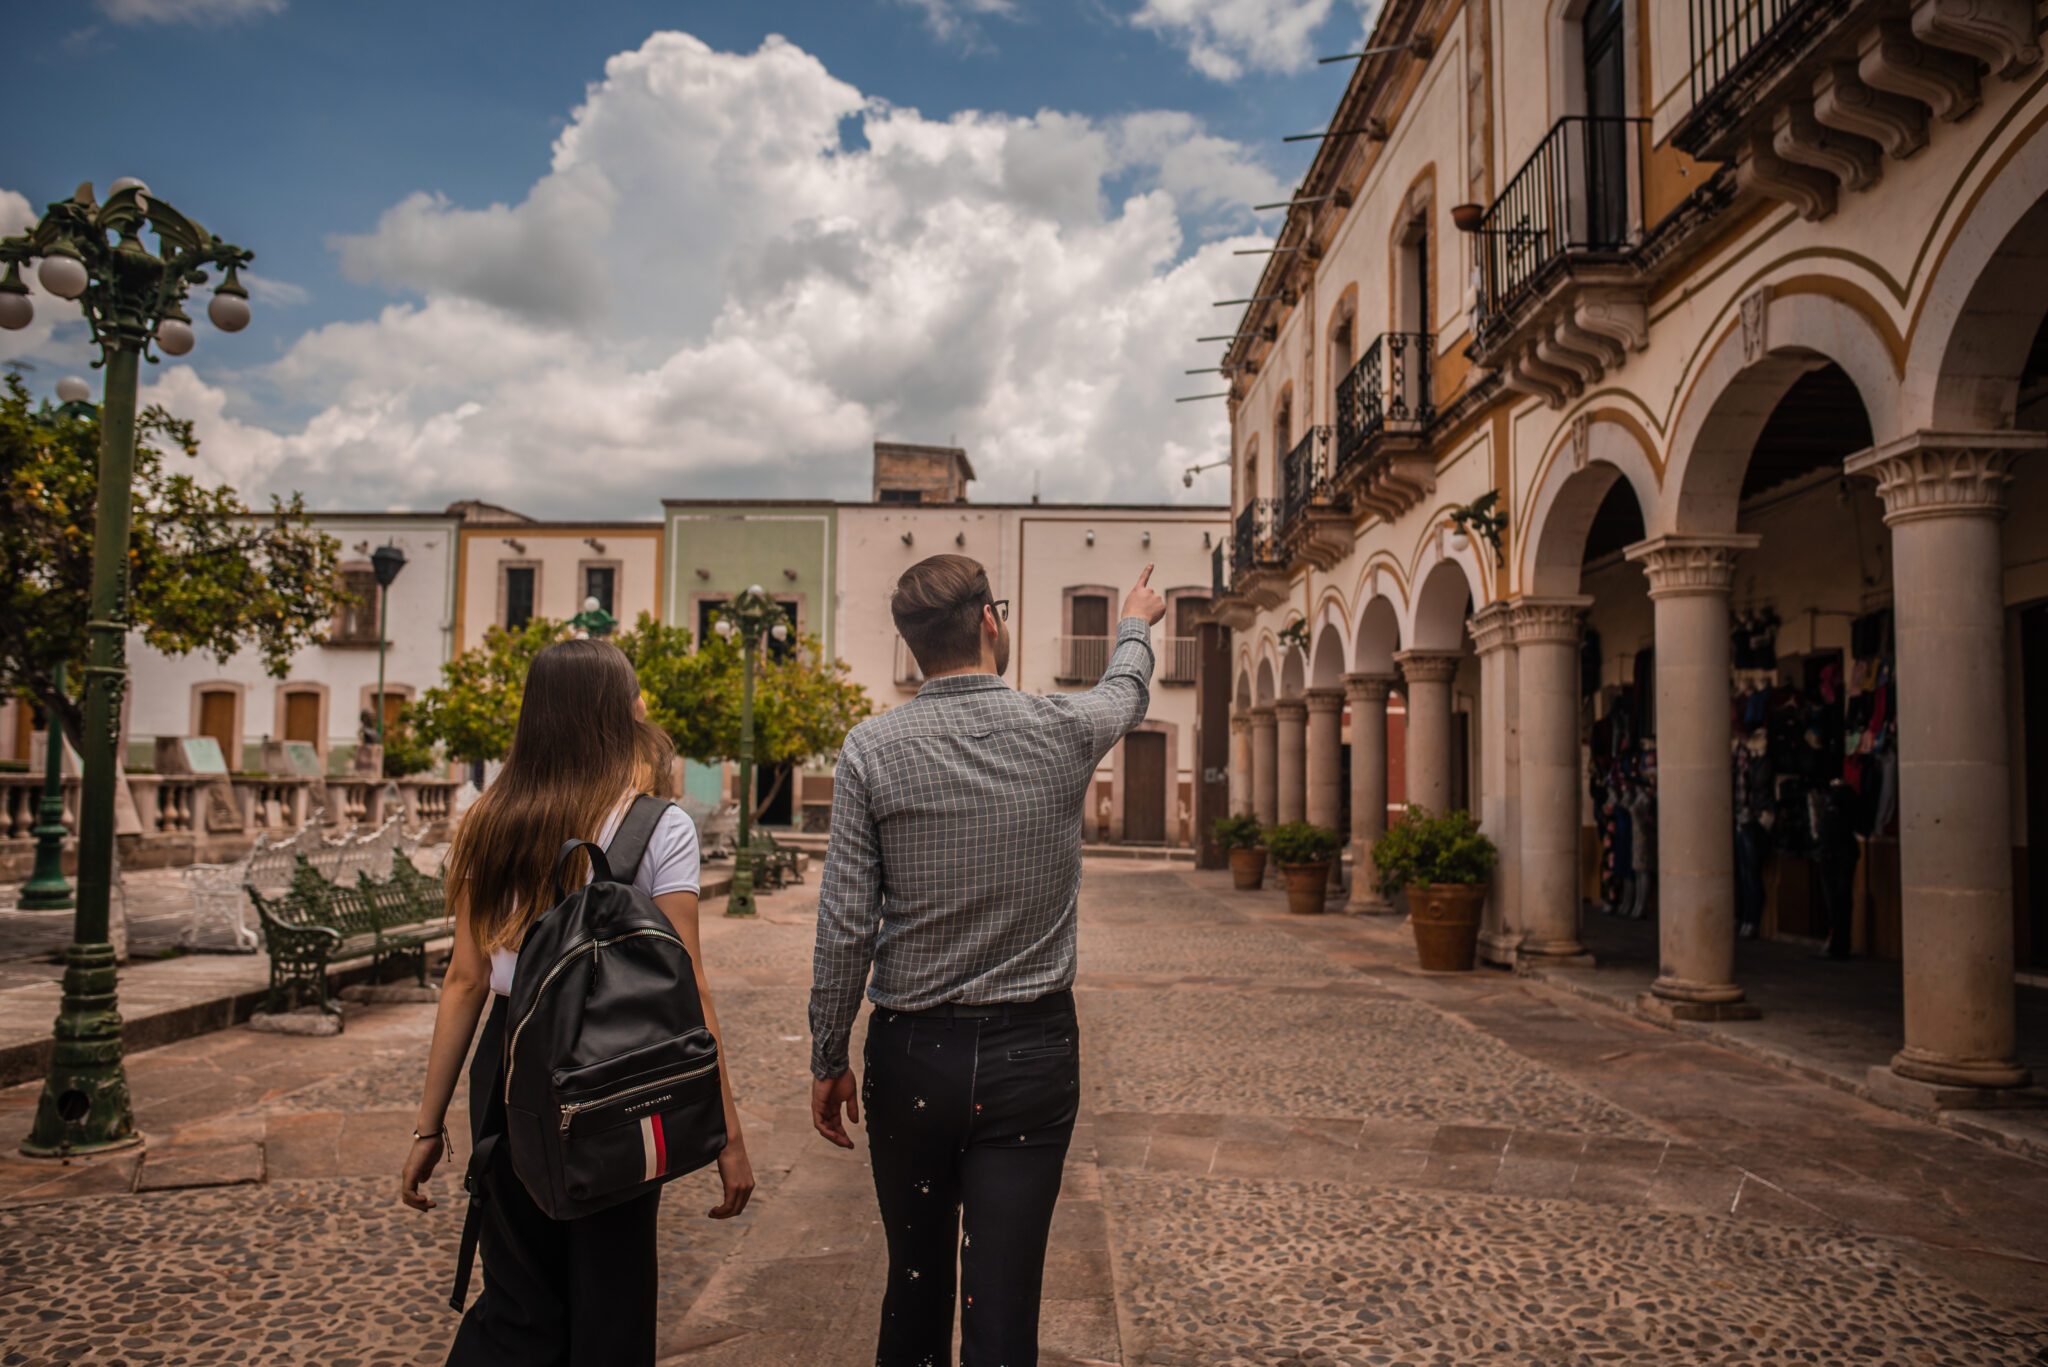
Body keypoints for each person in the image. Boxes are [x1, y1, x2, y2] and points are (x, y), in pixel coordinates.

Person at [810, 553, 1164, 1367]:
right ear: (990, 621)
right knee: (1005, 1307)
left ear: (911, 647)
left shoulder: (870, 748)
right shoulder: (1061, 729)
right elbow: (1127, 692)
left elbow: (844, 926)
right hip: (1031, 1057)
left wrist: (828, 1053)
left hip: (912, 1058)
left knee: (915, 1283)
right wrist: (1135, 622)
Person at [399, 637, 754, 1366]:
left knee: (518, 1293)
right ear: (617, 712)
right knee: (612, 1293)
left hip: (509, 1065)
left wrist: (427, 1127)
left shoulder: (490, 818)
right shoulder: (661, 826)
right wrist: (728, 1133)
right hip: (619, 1065)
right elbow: (689, 990)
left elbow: (465, 980)